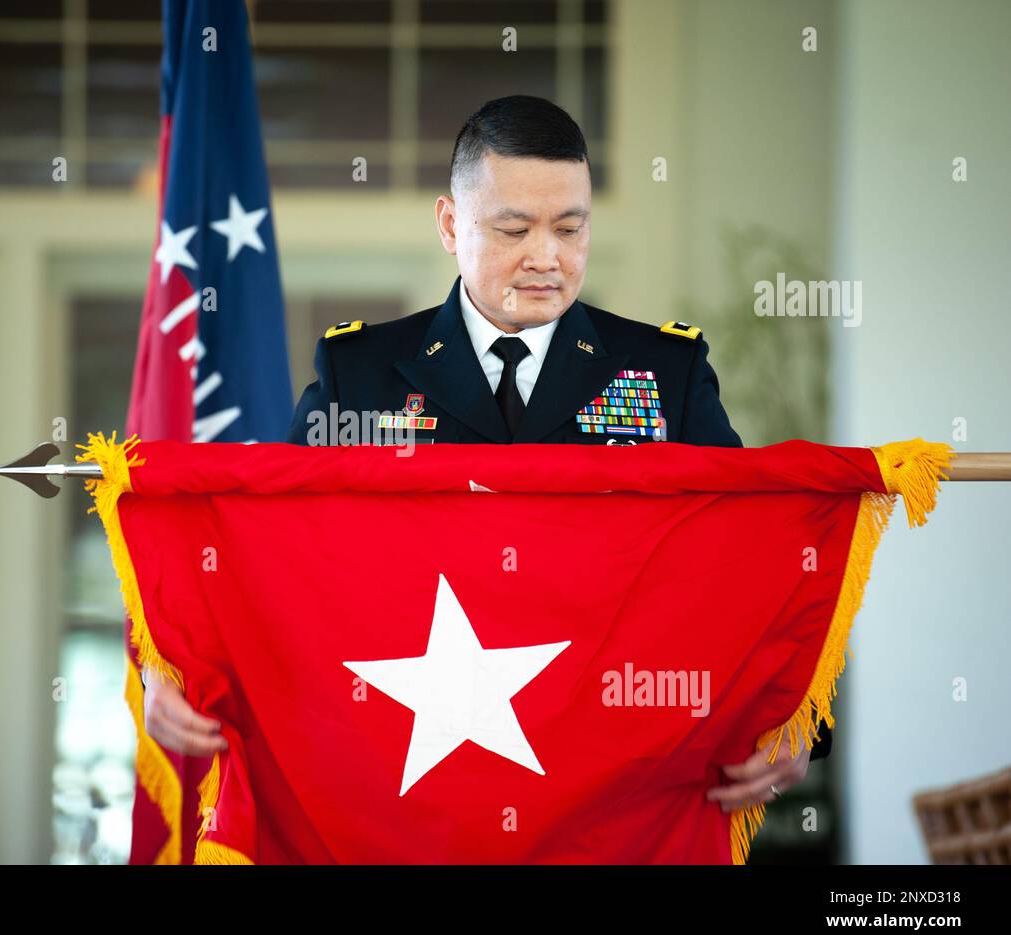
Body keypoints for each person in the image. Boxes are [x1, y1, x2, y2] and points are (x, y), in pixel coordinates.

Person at [143, 95, 828, 819]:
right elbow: (265, 546)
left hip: (614, 785)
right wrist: (182, 667)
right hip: (409, 775)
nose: (547, 257)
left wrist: (802, 717)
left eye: (571, 228)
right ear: (449, 224)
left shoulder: (664, 371)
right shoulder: (365, 372)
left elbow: (752, 549)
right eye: (513, 228)